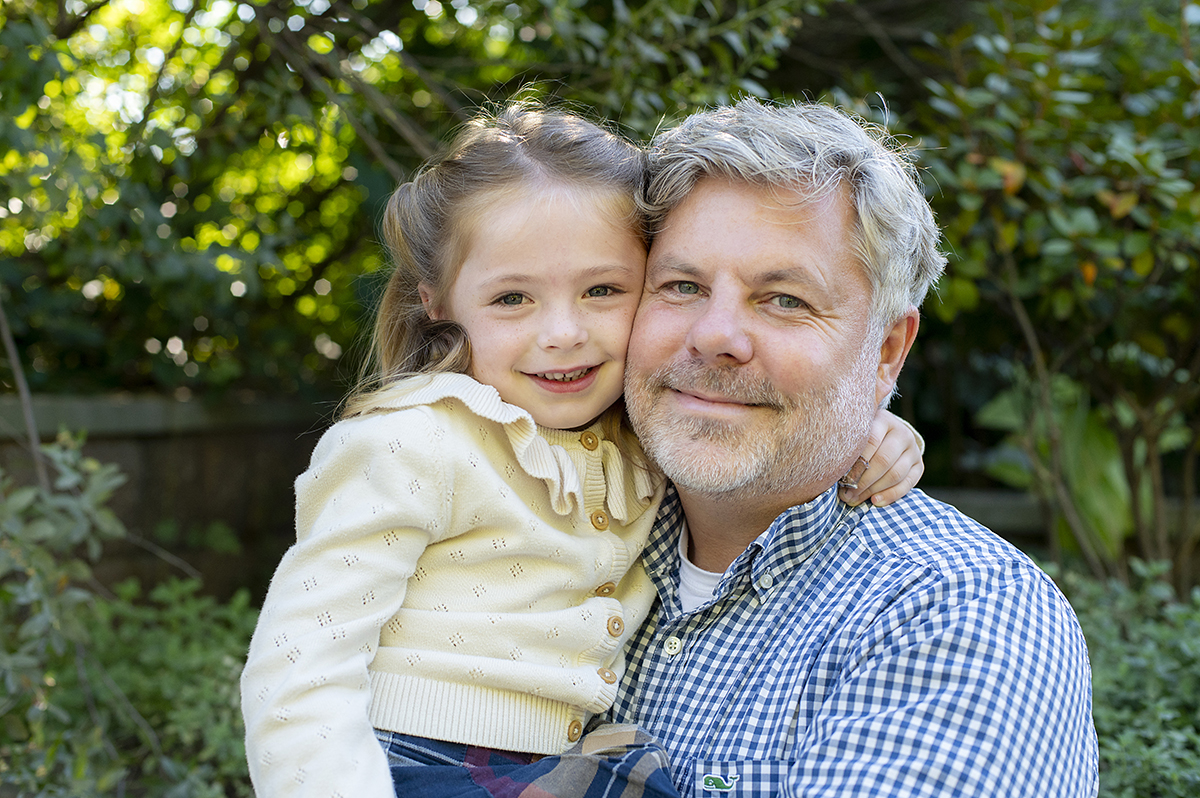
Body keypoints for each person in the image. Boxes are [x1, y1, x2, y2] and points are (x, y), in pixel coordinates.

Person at [239, 103, 926, 798]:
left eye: (602, 290)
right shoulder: (410, 441)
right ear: (438, 304)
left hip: (553, 764)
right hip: (412, 765)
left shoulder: (629, 434)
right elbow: (301, 667)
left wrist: (874, 426)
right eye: (513, 299)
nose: (563, 333)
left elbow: (749, 423)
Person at [610, 98, 1100, 797]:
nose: (715, 334)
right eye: (682, 285)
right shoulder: (533, 520)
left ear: (888, 352)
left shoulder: (955, 612)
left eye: (783, 299)